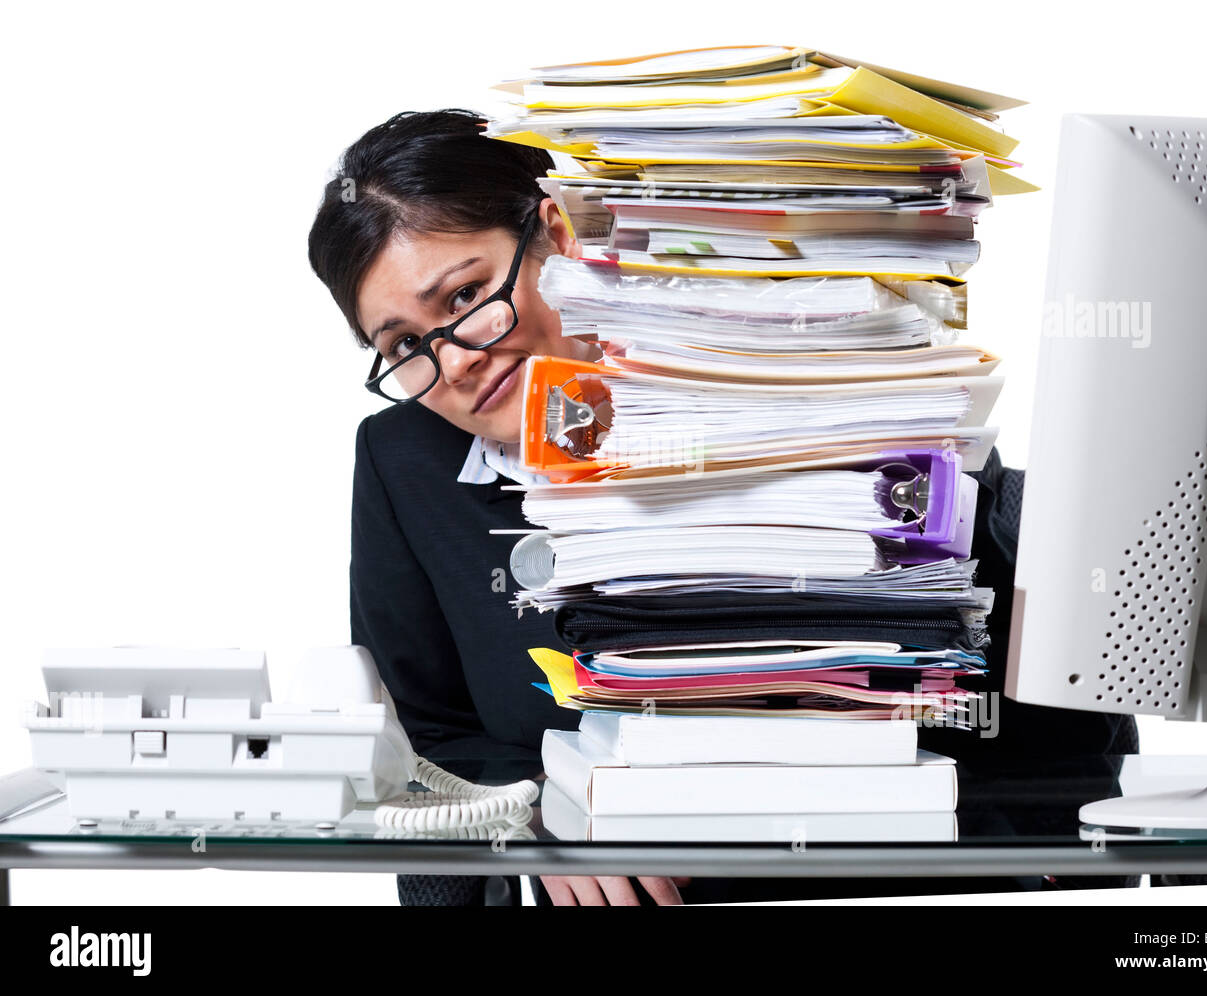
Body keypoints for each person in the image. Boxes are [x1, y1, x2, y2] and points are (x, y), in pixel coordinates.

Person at [307, 109, 1156, 906]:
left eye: (465, 298)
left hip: (904, 873)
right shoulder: (403, 460)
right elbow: (430, 743)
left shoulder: (764, 364)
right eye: (405, 346)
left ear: (555, 232)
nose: (453, 363)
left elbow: (1037, 697)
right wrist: (541, 815)